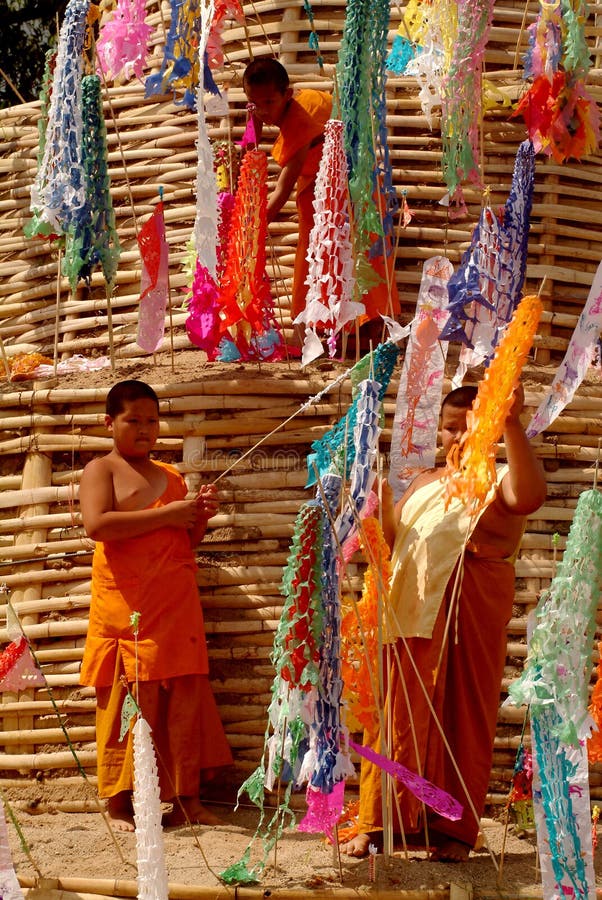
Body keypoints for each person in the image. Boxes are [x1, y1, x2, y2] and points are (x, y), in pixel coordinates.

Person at [342, 383, 546, 862]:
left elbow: (530, 497)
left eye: (469, 426)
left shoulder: (500, 476)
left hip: (467, 612)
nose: (456, 437)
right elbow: (398, 543)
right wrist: (377, 509)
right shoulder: (422, 481)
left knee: (462, 714)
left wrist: (513, 422)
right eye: (449, 426)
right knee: (395, 716)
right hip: (409, 614)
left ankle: (453, 831)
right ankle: (378, 823)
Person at [79, 380, 232, 831]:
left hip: (176, 604)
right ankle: (120, 802)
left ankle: (187, 800)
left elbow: (183, 542)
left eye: (151, 421)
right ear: (110, 423)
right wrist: (168, 513)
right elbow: (97, 525)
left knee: (184, 700)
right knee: (128, 700)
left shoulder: (172, 476)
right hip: (127, 608)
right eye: (133, 421)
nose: (144, 430)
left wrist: (198, 516)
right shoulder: (101, 470)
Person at [242, 58, 399, 342]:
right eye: (254, 103)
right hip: (319, 184)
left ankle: (369, 335)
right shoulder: (267, 105)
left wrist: (252, 229)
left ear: (287, 95)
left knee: (356, 254)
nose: (263, 112)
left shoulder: (301, 119)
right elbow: (254, 130)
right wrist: (249, 146)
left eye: (268, 102)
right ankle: (323, 331)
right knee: (315, 254)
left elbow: (282, 188)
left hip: (349, 185)